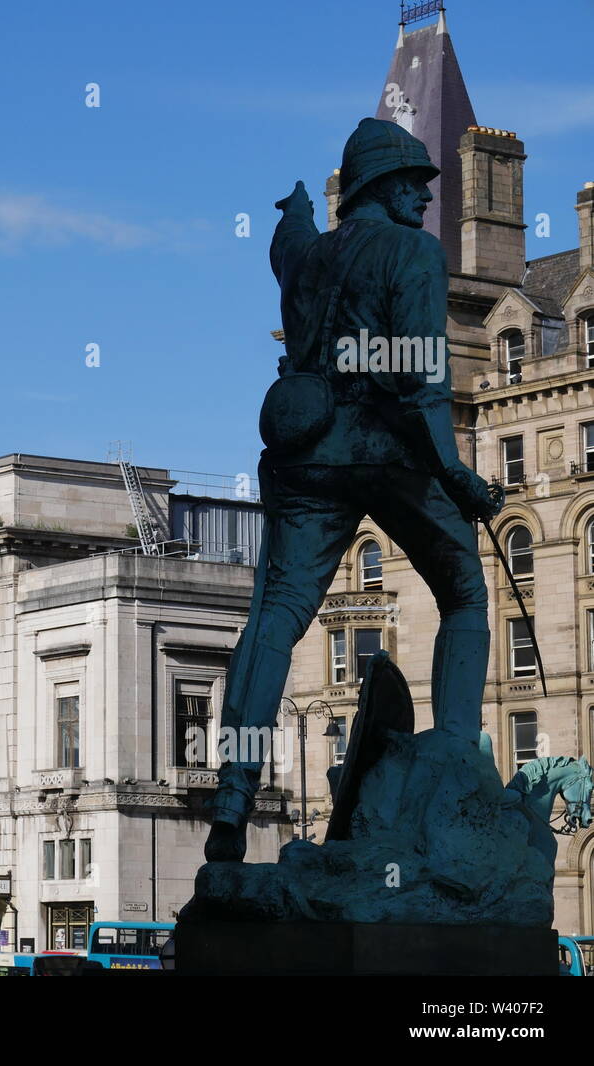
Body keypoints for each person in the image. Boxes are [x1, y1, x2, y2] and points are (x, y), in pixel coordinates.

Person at [204, 117, 503, 864]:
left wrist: (295, 211)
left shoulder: (308, 259)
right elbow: (424, 385)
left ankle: (233, 796)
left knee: (275, 617)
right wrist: (458, 475)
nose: (421, 200)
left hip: (304, 453)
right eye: (410, 185)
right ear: (380, 187)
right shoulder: (413, 253)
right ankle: (457, 762)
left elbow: (289, 245)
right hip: (386, 447)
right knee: (465, 590)